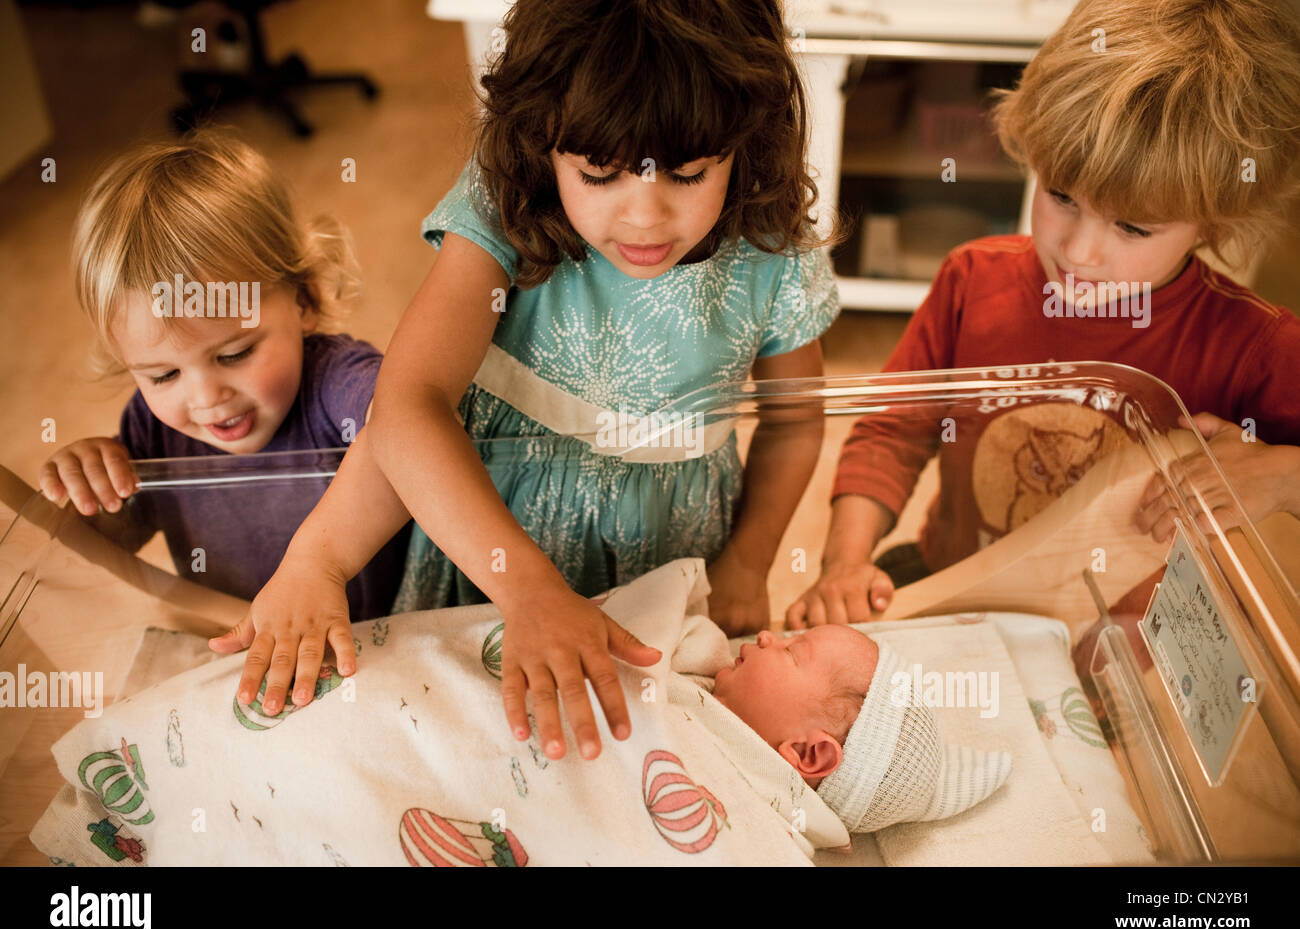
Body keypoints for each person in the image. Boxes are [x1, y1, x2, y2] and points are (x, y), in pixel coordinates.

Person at [212, 0, 844, 759]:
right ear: (541, 143)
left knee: (633, 755)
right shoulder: (504, 210)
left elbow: (797, 421)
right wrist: (321, 561)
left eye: (688, 173)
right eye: (598, 174)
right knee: (474, 751)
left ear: (749, 140)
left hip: (670, 558)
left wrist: (749, 560)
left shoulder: (772, 249)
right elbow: (410, 407)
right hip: (488, 549)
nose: (644, 216)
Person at [787, 0, 1300, 628]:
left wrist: (1284, 474)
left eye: (1133, 227)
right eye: (1060, 196)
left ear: (1213, 223)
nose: (1079, 252)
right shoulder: (974, 280)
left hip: (1120, 644)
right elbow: (893, 432)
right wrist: (844, 562)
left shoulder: (1258, 347)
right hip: (953, 590)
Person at [39, 130, 410, 624]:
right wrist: (89, 488)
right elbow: (109, 546)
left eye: (235, 354)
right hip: (234, 646)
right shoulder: (150, 430)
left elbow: (409, 420)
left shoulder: (334, 380)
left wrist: (398, 412)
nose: (206, 397)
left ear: (306, 301)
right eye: (164, 374)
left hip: (375, 642)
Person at [710, 625, 1012, 832]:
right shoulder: (698, 647)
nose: (766, 636)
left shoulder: (748, 824)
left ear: (810, 753)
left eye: (790, 653)